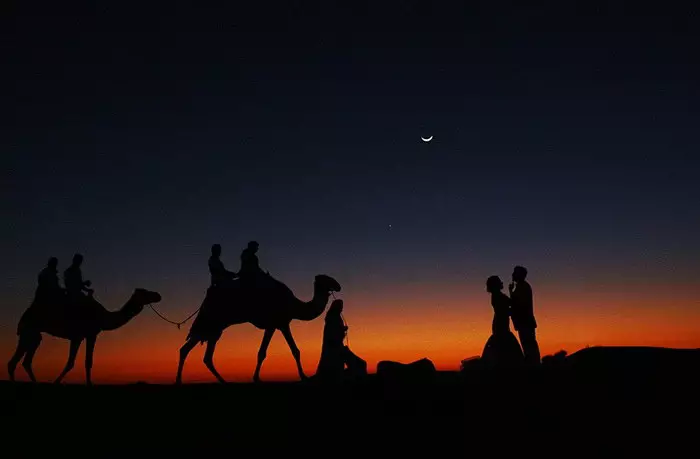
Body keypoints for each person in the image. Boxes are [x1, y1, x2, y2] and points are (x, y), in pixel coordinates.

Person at [315, 300, 367, 381]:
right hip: (336, 348)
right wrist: (342, 329)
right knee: (360, 364)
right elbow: (332, 333)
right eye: (340, 306)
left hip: (337, 348)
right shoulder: (333, 317)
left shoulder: (333, 316)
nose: (342, 308)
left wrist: (342, 330)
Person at [481, 275, 524, 368]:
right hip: (500, 323)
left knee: (502, 344)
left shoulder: (497, 295)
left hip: (500, 322)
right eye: (499, 281)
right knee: (503, 344)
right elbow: (511, 305)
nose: (501, 282)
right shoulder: (497, 296)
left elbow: (511, 305)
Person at [509, 266, 541, 366]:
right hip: (524, 322)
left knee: (529, 347)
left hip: (525, 322)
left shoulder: (523, 287)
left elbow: (518, 305)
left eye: (515, 273)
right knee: (528, 346)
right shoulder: (521, 286)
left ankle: (534, 368)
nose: (512, 275)